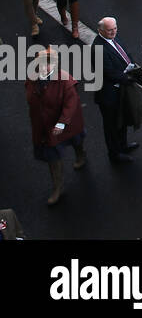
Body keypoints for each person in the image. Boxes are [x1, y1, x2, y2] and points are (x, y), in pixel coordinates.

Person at [25, 47, 88, 205]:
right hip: (46, 126)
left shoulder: (65, 80)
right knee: (52, 157)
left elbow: (71, 103)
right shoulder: (32, 79)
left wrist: (62, 122)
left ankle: (81, 155)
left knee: (76, 141)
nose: (45, 67)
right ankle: (58, 187)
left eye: (49, 64)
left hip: (66, 123)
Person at [93, 16, 142, 164]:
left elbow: (125, 55)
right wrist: (129, 78)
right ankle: (114, 154)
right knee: (111, 126)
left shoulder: (114, 39)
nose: (113, 32)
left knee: (121, 120)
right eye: (110, 30)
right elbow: (108, 72)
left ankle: (122, 146)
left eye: (115, 28)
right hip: (109, 95)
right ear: (101, 31)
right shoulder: (98, 48)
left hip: (120, 90)